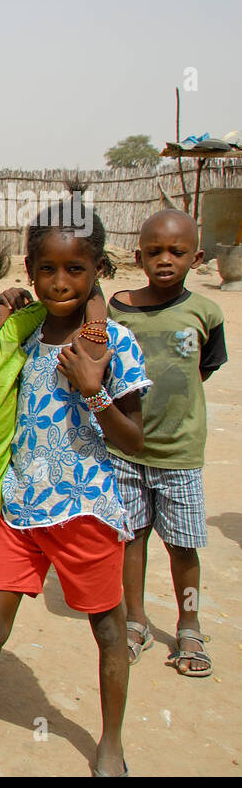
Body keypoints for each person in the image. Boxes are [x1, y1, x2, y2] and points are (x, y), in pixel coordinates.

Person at [0, 191, 149, 777]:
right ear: (29, 271)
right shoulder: (22, 334)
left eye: (75, 269)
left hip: (87, 511)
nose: (59, 282)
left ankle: (111, 744)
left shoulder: (111, 344)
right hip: (22, 508)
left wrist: (92, 387)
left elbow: (135, 440)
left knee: (108, 630)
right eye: (46, 269)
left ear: (98, 270)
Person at [109, 210, 227, 677]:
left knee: (183, 545)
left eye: (176, 252)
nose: (164, 260)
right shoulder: (119, 308)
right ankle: (134, 619)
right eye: (154, 251)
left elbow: (205, 366)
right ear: (137, 256)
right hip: (126, 450)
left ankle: (189, 624)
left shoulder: (206, 312)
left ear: (195, 258)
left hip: (178, 452)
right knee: (131, 537)